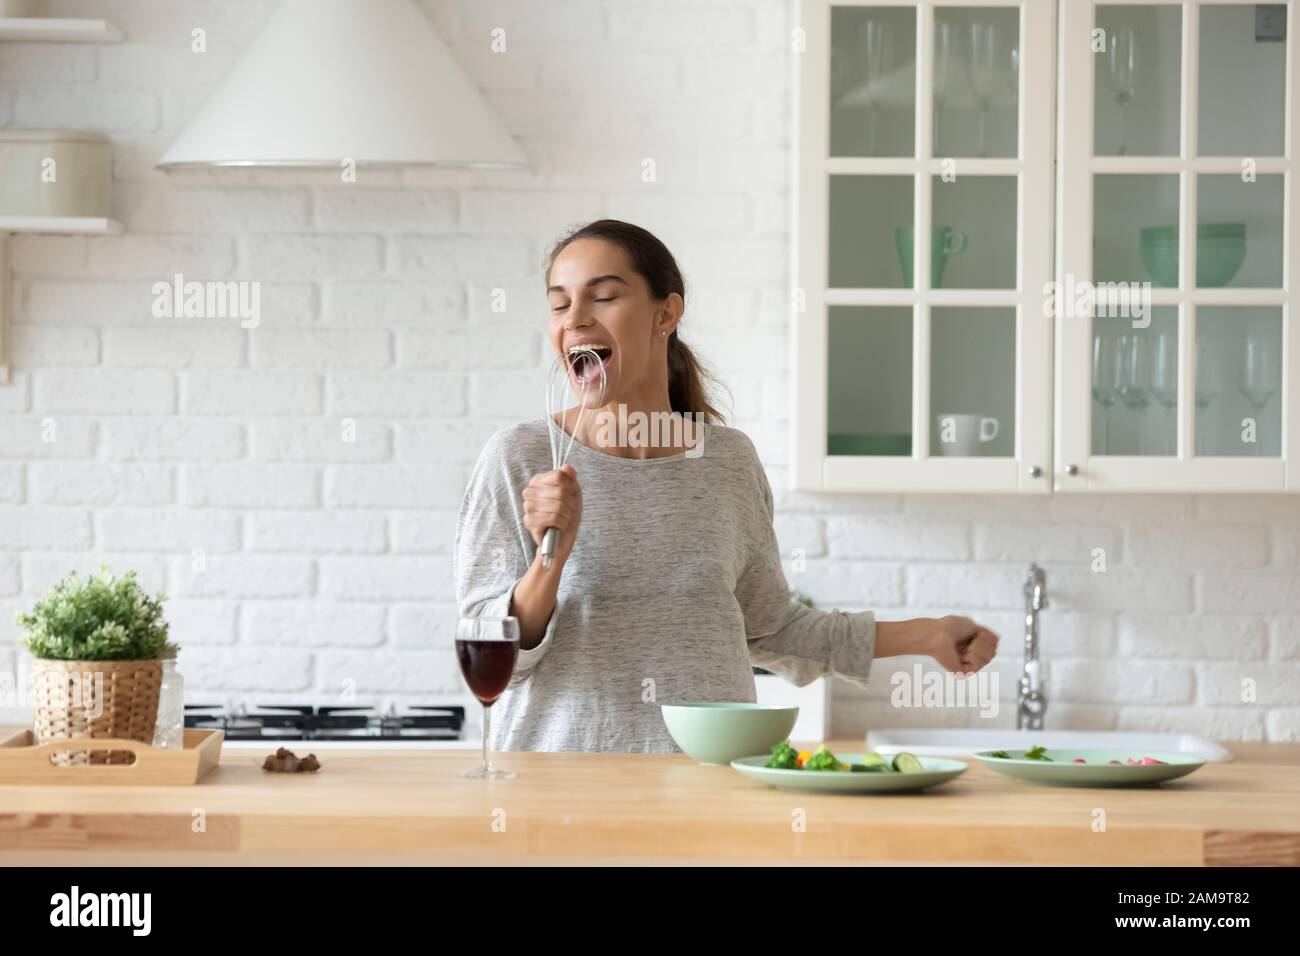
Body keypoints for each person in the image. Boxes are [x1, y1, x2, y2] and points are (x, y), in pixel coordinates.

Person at [453, 219, 998, 752]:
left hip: (709, 786)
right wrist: (551, 561)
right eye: (559, 303)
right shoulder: (518, 458)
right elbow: (487, 647)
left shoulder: (728, 461)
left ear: (666, 312)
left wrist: (926, 635)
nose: (574, 319)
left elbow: (774, 629)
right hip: (562, 792)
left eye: (603, 297)